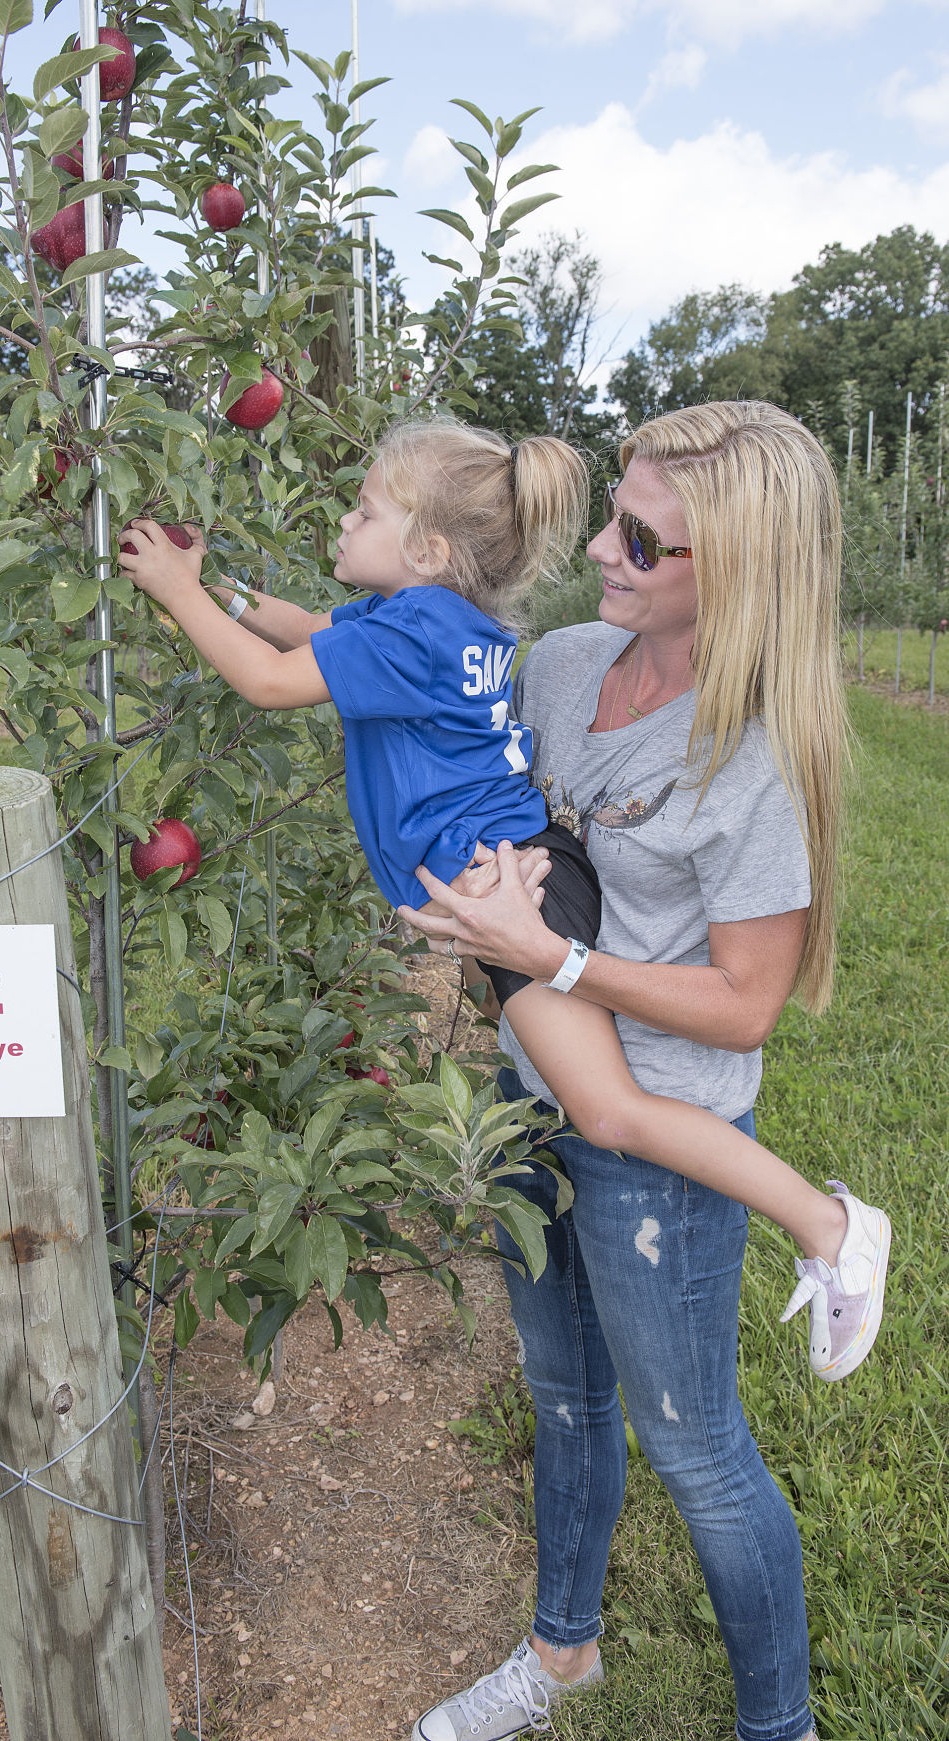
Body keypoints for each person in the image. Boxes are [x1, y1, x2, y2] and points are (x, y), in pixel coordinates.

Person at [119, 413, 887, 1394]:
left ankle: (830, 1227)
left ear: (429, 549)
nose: (343, 521)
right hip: (513, 868)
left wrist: (180, 593)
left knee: (608, 1111)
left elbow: (273, 679)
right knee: (590, 1149)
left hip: (511, 884)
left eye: (364, 508)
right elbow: (311, 636)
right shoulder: (428, 622)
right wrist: (220, 588)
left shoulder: (418, 630)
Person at [396, 401, 874, 1741]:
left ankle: (778, 1728)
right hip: (531, 1100)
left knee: (695, 1448)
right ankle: (561, 1659)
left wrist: (547, 962)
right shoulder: (557, 665)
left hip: (659, 1137)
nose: (602, 547)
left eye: (642, 538)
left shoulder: (754, 757)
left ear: (739, 566)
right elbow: (520, 840)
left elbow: (742, 1005)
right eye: (613, 509)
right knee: (563, 1399)